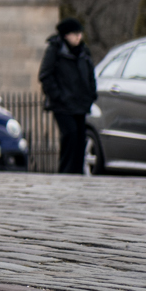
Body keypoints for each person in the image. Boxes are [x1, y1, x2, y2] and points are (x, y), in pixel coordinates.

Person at [38, 18, 98, 175]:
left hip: (81, 103)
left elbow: (90, 74)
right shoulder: (55, 50)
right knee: (70, 135)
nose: (78, 37)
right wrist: (58, 96)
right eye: (75, 34)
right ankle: (66, 171)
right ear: (66, 35)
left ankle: (77, 172)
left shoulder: (83, 51)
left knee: (79, 137)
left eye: (80, 34)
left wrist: (91, 94)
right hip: (63, 104)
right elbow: (45, 75)